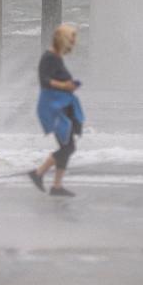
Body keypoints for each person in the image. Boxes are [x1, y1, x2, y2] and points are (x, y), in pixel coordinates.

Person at [28, 24, 85, 197]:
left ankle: (57, 186)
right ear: (63, 39)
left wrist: (69, 86)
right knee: (67, 147)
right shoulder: (49, 57)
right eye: (71, 39)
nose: (73, 44)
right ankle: (38, 173)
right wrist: (65, 85)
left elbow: (54, 80)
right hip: (53, 106)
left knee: (68, 145)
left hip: (62, 104)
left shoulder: (57, 57)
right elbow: (45, 81)